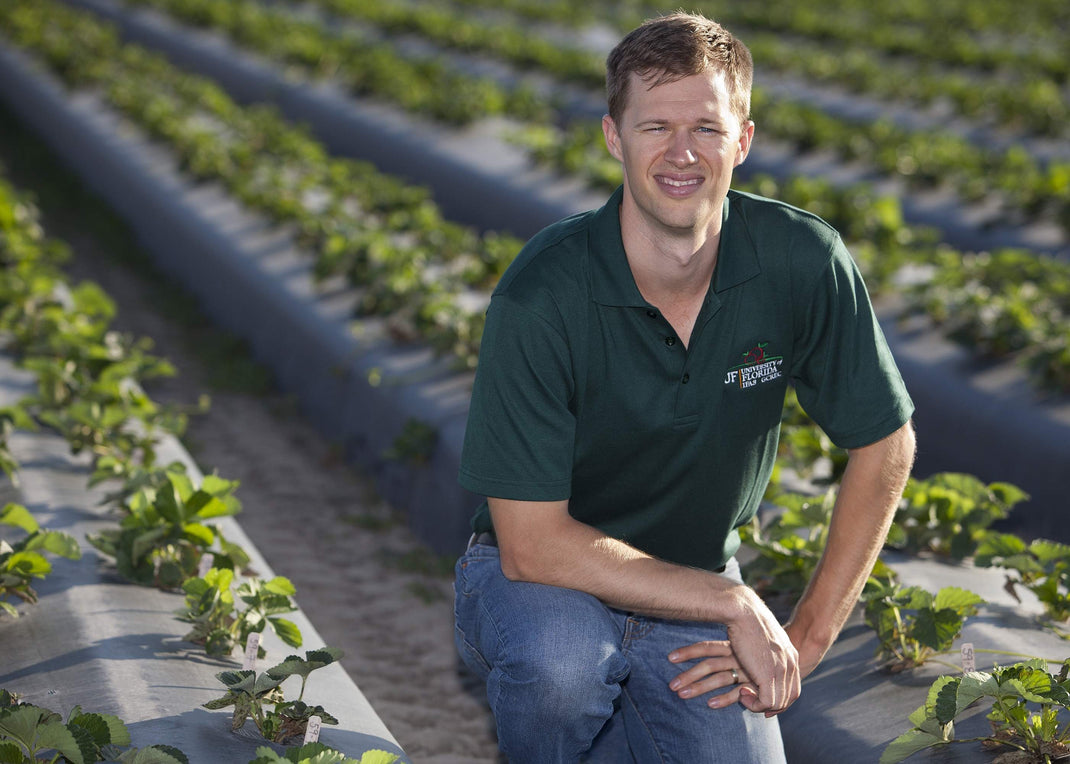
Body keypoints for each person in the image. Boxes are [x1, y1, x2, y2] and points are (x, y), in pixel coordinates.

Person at [453, 11, 916, 763]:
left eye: (706, 128)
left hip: (691, 583)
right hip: (548, 585)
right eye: (654, 127)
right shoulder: (544, 292)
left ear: (743, 140)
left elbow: (885, 441)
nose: (681, 154)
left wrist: (805, 638)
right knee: (562, 671)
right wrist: (731, 602)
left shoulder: (801, 261)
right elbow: (533, 546)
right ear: (613, 137)